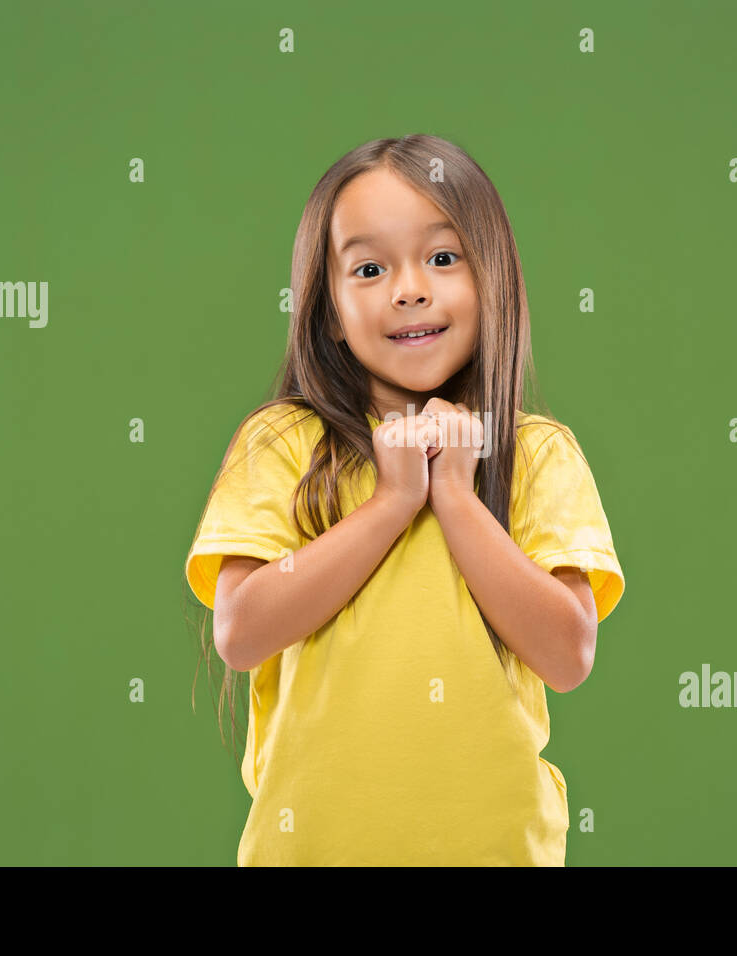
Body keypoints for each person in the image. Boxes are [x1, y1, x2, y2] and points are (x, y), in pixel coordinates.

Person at [183, 134, 625, 865]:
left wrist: (454, 494)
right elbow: (242, 631)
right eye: (368, 268)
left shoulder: (537, 452)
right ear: (328, 310)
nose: (410, 287)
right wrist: (392, 501)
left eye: (443, 258)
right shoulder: (283, 443)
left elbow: (568, 653)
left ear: (496, 282)